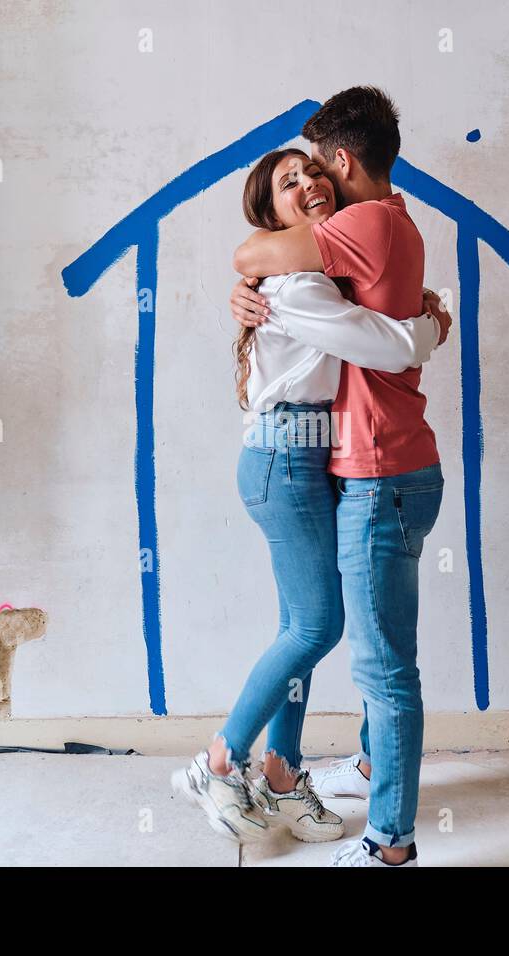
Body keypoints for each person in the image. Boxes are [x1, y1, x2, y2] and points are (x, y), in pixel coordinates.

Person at [172, 146, 451, 847]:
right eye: (289, 183)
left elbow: (363, 314)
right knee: (314, 628)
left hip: (308, 456)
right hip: (284, 460)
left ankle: (284, 775)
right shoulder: (295, 289)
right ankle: (218, 761)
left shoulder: (311, 279)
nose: (309, 184)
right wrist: (433, 325)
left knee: (305, 627)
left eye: (313, 173)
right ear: (271, 217)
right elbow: (386, 347)